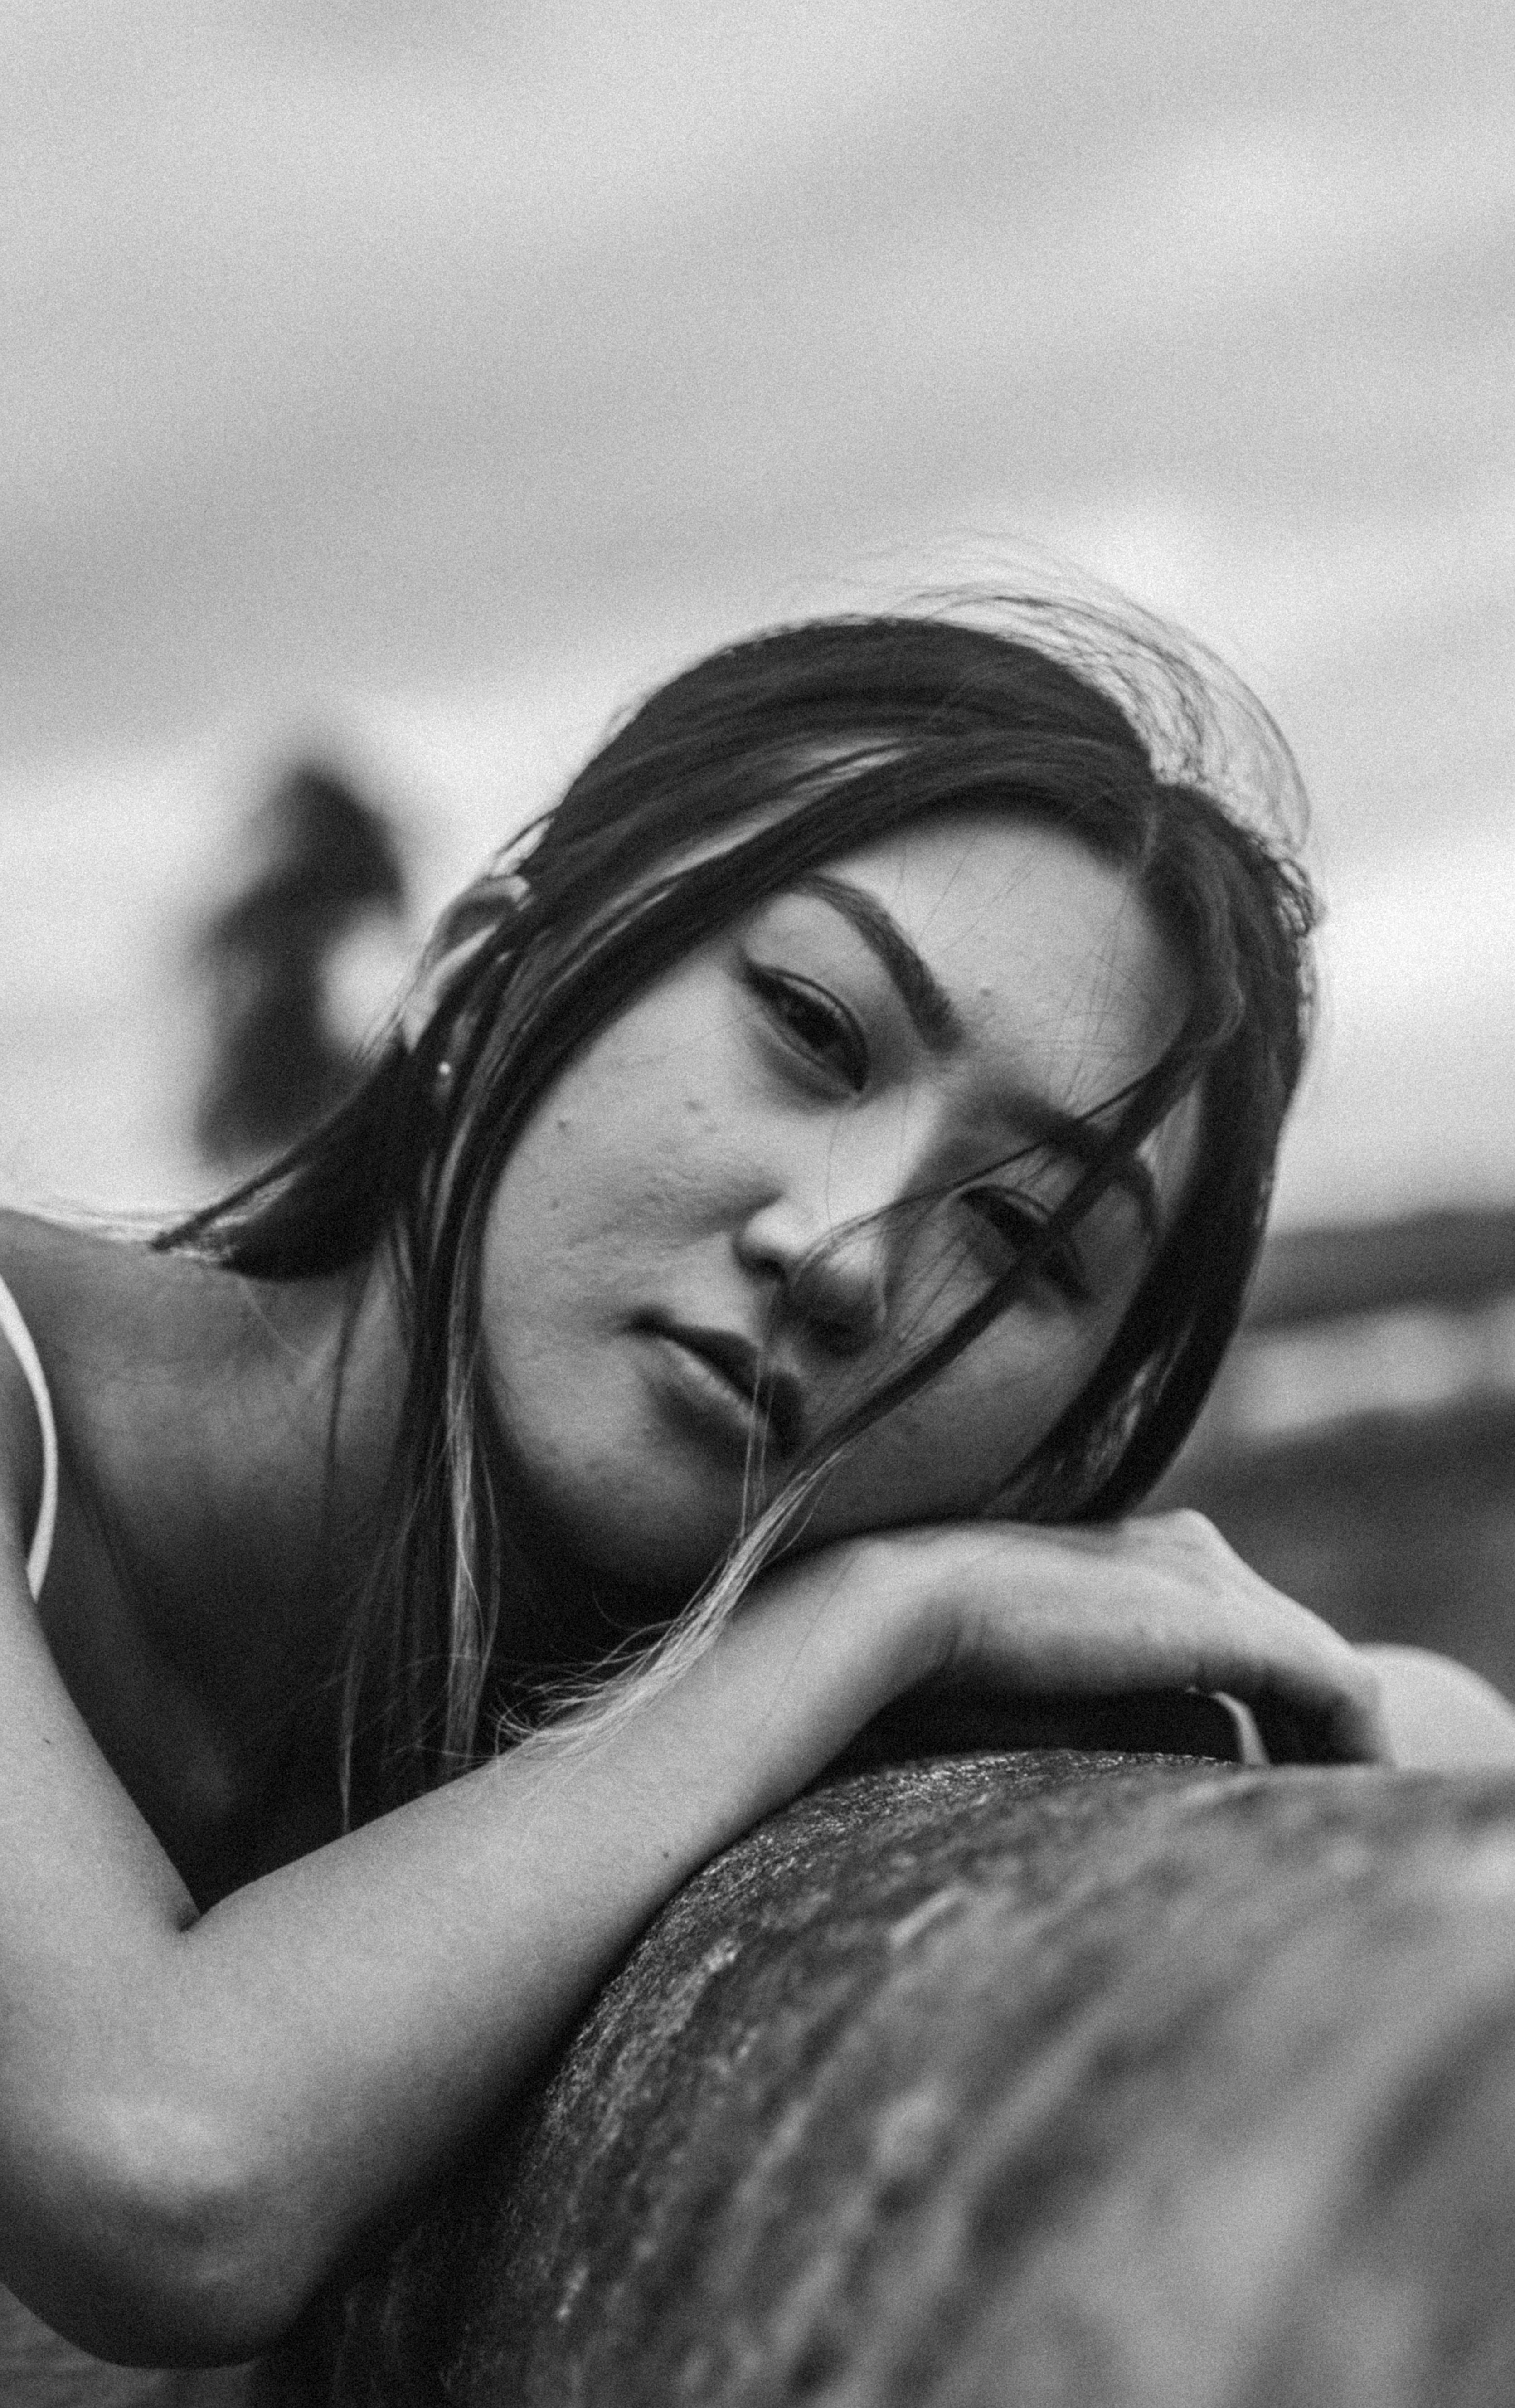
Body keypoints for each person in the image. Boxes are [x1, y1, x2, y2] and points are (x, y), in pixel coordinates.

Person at [1, 600, 1511, 2391]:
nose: (846, 1252)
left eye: (1019, 1235)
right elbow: (164, 2166)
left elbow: (1436, 1744)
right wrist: (887, 1611)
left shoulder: (632, 1688)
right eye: (809, 1027)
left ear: (1051, 1437)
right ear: (480, 981)